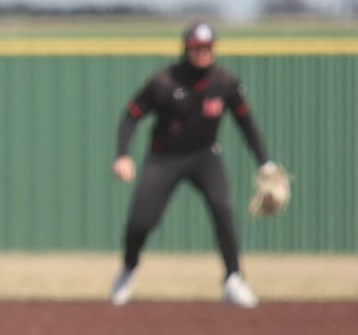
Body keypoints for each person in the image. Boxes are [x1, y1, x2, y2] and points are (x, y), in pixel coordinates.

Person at [109, 20, 278, 308]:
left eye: (208, 47)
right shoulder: (165, 81)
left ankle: (234, 279)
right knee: (140, 222)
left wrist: (265, 163)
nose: (203, 53)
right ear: (186, 49)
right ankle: (128, 268)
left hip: (205, 156)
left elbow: (246, 123)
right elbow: (131, 115)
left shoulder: (224, 83)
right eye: (197, 47)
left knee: (223, 211)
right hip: (164, 158)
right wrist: (123, 154)